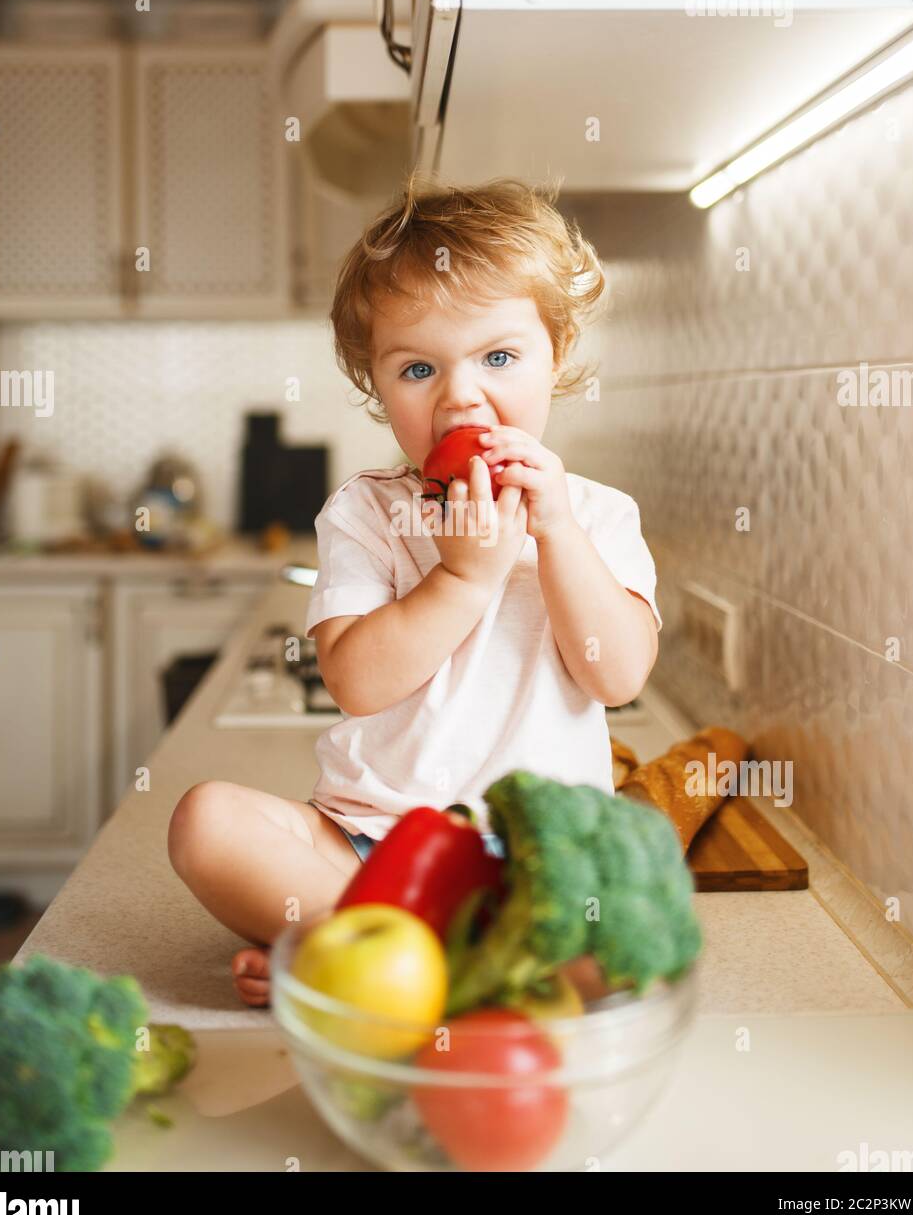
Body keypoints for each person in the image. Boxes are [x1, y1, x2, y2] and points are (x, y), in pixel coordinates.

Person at [167, 174, 662, 1008]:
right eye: (418, 367)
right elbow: (357, 681)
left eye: (499, 358)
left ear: (557, 357)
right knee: (204, 822)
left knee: (623, 938)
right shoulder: (364, 512)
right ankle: (415, 960)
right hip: (370, 845)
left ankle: (358, 962)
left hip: (537, 858)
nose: (460, 395)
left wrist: (558, 537)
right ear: (374, 381)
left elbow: (616, 676)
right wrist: (462, 575)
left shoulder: (596, 516)